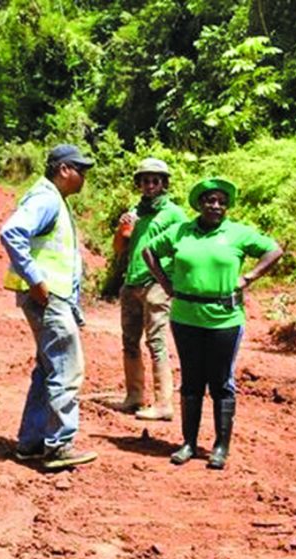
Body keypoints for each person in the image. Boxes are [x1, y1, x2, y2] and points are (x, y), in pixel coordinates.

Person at [142, 177, 283, 470]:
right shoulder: (181, 231)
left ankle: (220, 446)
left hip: (224, 320)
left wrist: (248, 277)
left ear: (227, 206)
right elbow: (148, 251)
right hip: (185, 318)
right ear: (200, 204)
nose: (215, 206)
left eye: (221, 201)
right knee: (192, 381)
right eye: (210, 200)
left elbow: (274, 250)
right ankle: (188, 443)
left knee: (221, 383)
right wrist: (165, 283)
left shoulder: (238, 233)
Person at [0, 143, 98, 471]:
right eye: (80, 170)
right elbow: (11, 232)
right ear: (63, 170)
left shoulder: (55, 199)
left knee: (48, 369)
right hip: (47, 296)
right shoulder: (46, 198)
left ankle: (31, 443)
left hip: (52, 296)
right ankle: (58, 446)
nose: (84, 177)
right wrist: (35, 279)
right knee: (67, 369)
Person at [113, 158, 187, 421]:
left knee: (156, 341)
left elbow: (184, 248)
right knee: (129, 342)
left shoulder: (174, 214)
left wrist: (172, 281)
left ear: (164, 183)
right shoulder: (135, 213)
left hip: (157, 283)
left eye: (156, 180)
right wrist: (121, 230)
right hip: (131, 283)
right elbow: (119, 249)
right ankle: (134, 396)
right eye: (145, 180)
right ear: (139, 184)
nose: (150, 185)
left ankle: (163, 403)